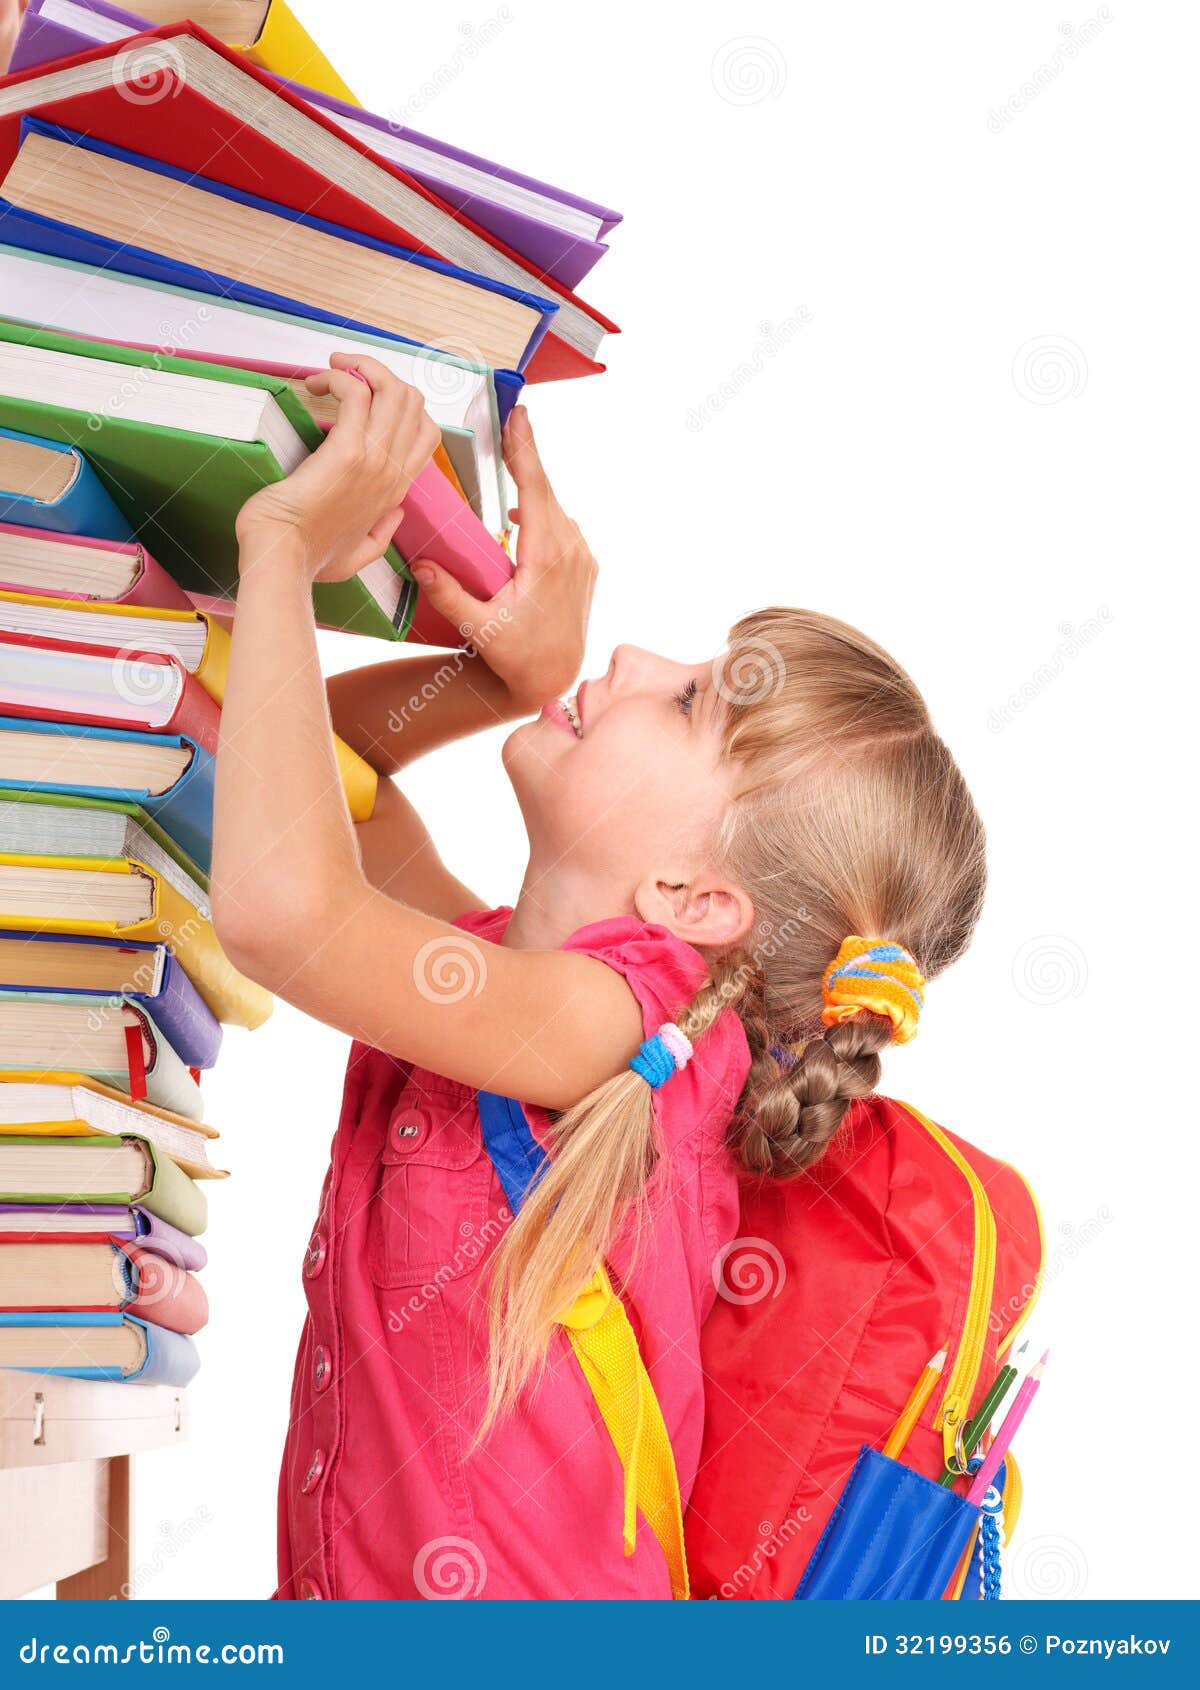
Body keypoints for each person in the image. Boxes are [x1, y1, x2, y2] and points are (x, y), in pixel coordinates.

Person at [213, 354, 986, 1598]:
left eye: (686, 704)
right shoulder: (507, 981)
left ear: (697, 902)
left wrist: (280, 546)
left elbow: (274, 906)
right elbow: (319, 773)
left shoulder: (601, 1032)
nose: (628, 655)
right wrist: (494, 679)